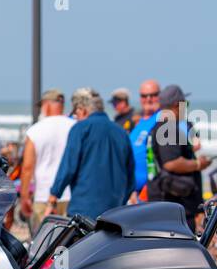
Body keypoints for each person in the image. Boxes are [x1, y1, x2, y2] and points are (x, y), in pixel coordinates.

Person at [46, 89, 135, 219]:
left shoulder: (80, 129)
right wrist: (121, 201)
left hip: (84, 210)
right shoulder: (121, 132)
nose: (76, 118)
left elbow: (68, 167)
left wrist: (54, 196)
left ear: (83, 110)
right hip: (115, 213)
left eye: (76, 114)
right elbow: (130, 177)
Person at [145, 84, 209, 229]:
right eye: (185, 104)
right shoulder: (168, 129)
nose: (185, 108)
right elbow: (171, 163)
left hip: (168, 205)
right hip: (174, 207)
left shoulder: (161, 127)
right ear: (176, 105)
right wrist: (199, 164)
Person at [19, 88, 75, 231]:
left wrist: (24, 197)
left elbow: (27, 167)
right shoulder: (75, 127)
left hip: (44, 194)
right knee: (71, 244)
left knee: (42, 245)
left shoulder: (35, 130)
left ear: (46, 104)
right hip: (71, 194)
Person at [129, 79, 162, 192]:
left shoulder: (163, 118)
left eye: (153, 95)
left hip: (152, 190)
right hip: (134, 192)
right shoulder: (139, 122)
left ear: (160, 96)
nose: (148, 99)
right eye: (144, 96)